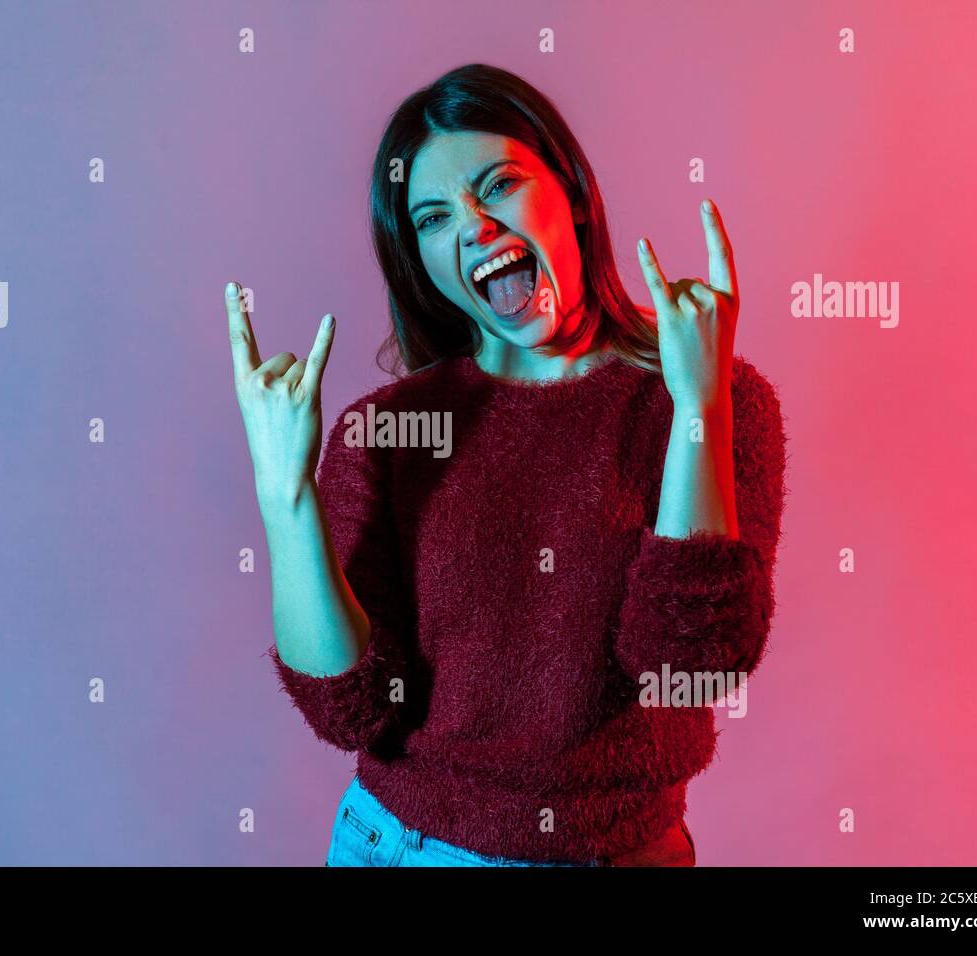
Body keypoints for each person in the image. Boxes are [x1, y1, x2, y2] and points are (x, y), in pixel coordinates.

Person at [224, 63, 788, 866]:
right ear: (421, 261)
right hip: (404, 848)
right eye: (433, 217)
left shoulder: (713, 399)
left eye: (499, 184)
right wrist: (283, 495)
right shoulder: (388, 432)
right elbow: (347, 710)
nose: (475, 224)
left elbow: (690, 670)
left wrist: (697, 411)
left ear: (573, 194)